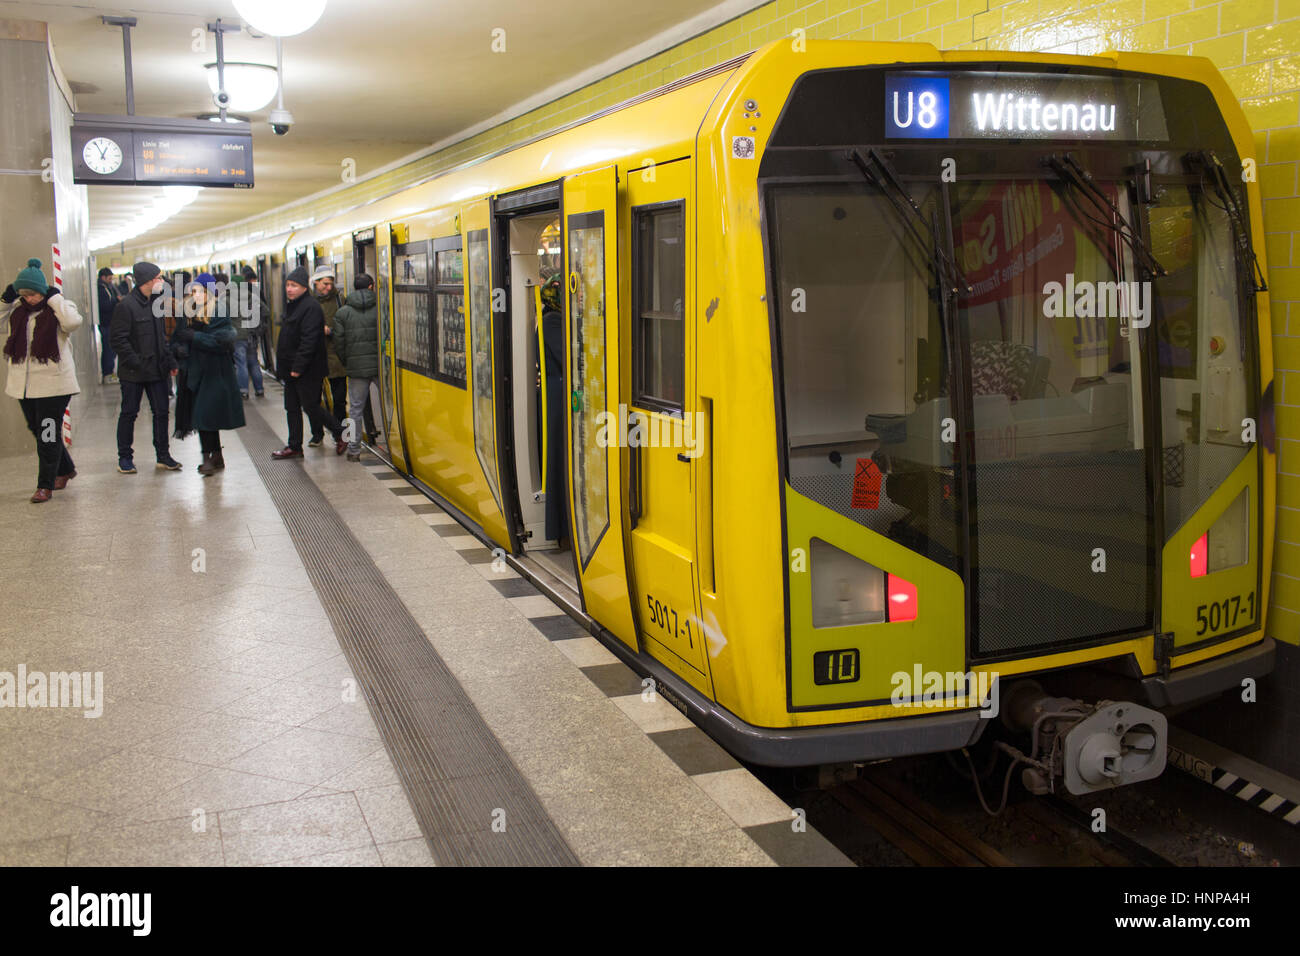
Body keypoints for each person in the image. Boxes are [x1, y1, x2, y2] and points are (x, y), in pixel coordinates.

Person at [1, 259, 81, 503]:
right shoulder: (17, 311)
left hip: (53, 385)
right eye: (24, 294)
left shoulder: (57, 308)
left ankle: (44, 485)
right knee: (39, 430)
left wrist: (54, 298)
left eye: (34, 293)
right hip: (24, 387)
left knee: (47, 433)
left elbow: (73, 322)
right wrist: (6, 300)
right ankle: (66, 468)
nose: (30, 298)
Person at [110, 260, 181, 474]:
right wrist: (136, 362)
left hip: (158, 369)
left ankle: (163, 455)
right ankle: (125, 457)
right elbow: (118, 340)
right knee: (129, 413)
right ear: (147, 281)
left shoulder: (156, 304)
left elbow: (162, 338)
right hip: (133, 372)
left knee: (161, 412)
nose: (161, 281)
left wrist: (170, 361)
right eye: (158, 278)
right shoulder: (126, 306)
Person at [172, 274, 245, 475]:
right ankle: (215, 455)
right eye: (194, 290)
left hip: (215, 371)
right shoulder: (185, 310)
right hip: (193, 371)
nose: (197, 295)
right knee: (204, 415)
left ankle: (208, 457)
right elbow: (177, 337)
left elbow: (221, 342)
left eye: (202, 291)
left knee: (205, 415)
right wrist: (178, 349)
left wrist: (196, 337)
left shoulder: (219, 310)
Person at [272, 266, 346, 460]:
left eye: (294, 285)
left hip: (307, 370)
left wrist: (298, 368)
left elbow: (310, 340)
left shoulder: (310, 307)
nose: (289, 289)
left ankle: (340, 433)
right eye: (288, 285)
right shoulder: (295, 305)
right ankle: (295, 446)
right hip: (291, 368)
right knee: (292, 407)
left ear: (305, 287)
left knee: (311, 406)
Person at [331, 273, 379, 461]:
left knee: (355, 410)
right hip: (380, 368)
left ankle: (353, 450)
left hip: (356, 368)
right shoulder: (382, 308)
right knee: (393, 402)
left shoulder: (342, 313)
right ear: (371, 287)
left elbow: (338, 344)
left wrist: (348, 362)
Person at [538, 274, 568, 544]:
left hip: (557, 393)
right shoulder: (553, 321)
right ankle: (561, 529)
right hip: (558, 397)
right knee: (560, 460)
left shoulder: (550, 318)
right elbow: (568, 356)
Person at [312, 264, 347, 445]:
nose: (328, 287)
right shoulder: (309, 301)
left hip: (336, 357)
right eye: (325, 283)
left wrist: (331, 331)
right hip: (315, 357)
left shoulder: (340, 299)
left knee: (339, 399)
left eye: (330, 283)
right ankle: (317, 434)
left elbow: (346, 326)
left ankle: (340, 434)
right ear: (316, 283)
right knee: (315, 400)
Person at [234, 266, 267, 399]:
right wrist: (259, 327)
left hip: (238, 336)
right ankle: (259, 389)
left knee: (241, 364)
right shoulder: (252, 297)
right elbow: (266, 311)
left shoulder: (229, 299)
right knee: (253, 362)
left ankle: (243, 390)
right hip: (251, 334)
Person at [96, 267, 119, 383]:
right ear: (103, 277)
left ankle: (109, 373)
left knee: (111, 349)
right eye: (109, 278)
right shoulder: (101, 289)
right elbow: (104, 306)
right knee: (108, 349)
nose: (111, 280)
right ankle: (107, 374)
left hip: (110, 323)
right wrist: (116, 301)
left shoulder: (107, 288)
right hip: (106, 323)